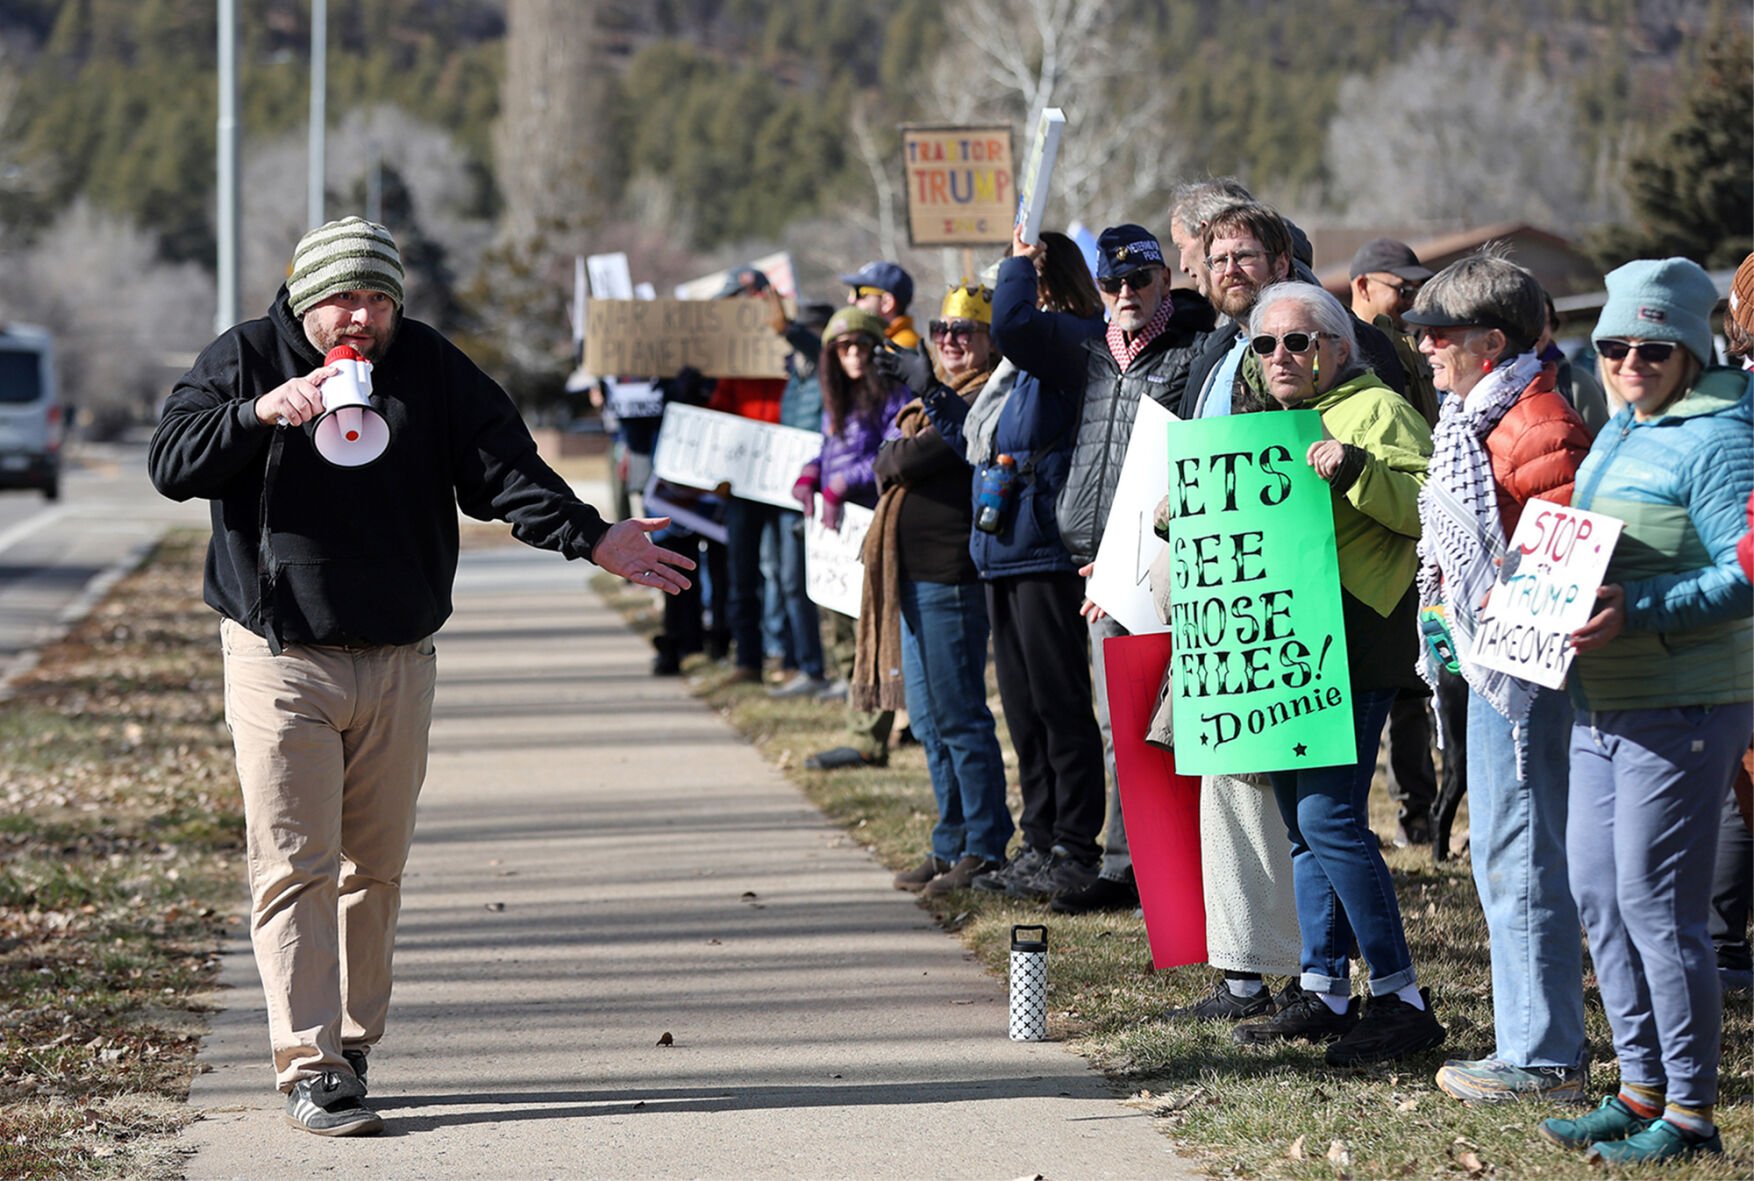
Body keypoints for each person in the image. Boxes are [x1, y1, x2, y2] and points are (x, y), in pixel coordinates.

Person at [146, 217, 694, 1136]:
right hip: (282, 658)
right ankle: (310, 1064)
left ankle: (352, 1044)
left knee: (375, 865)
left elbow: (504, 471)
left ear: (397, 302)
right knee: (293, 864)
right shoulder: (243, 357)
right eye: (338, 299)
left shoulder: (431, 368)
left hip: (400, 658)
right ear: (302, 297)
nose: (356, 316)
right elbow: (171, 462)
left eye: (376, 298)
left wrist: (592, 535)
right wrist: (258, 414)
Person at [1536, 258, 1753, 1166]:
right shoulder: (1624, 427)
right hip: (1601, 698)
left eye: (1653, 346)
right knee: (1597, 890)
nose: (1630, 360)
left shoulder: (1725, 435)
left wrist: (1643, 612)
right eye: (1617, 343)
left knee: (1658, 906)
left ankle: (1692, 1114)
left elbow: (1746, 573)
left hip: (1685, 699)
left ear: (1692, 347)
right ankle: (1638, 1085)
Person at [1227, 282, 1444, 1066]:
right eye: (1266, 344)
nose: (1281, 355)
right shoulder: (1264, 423)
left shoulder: (1378, 410)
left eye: (1299, 341)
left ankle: (1400, 995)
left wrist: (1354, 468)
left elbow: (1431, 509)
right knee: (1302, 824)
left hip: (1352, 644)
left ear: (1338, 348)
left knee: (1329, 820)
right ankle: (1324, 988)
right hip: (1287, 648)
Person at [1402, 251, 1593, 1105]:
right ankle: (1531, 1040)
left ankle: (1544, 1055)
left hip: (1525, 680)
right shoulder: (1479, 415)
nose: (1424, 346)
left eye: (1437, 332)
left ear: (1490, 341)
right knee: (1505, 858)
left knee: (1523, 857)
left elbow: (1565, 560)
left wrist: (1502, 641)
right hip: (1494, 669)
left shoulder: (1537, 424)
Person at [978, 223, 1214, 905]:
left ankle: (1172, 870)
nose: (1124, 293)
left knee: (1178, 723)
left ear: (1165, 277)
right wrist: (1018, 262)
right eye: (1111, 283)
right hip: (1099, 568)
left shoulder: (1192, 349)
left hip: (1171, 559)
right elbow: (1015, 328)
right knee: (1122, 724)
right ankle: (1124, 865)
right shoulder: (1087, 348)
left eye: (1139, 279)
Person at [921, 230, 1112, 908]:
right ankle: (1037, 840)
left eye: (1030, 280)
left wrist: (1015, 261)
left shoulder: (1074, 341)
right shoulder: (1020, 372)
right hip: (1004, 551)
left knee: (1062, 706)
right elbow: (986, 449)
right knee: (1026, 712)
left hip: (1046, 550)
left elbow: (1009, 322)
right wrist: (931, 394)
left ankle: (1074, 846)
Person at [868, 283, 1014, 895]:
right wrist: (899, 446)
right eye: (942, 330)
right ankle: (949, 841)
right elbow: (885, 456)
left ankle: (983, 846)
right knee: (927, 721)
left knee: (959, 719)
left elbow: (900, 463)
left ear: (988, 342)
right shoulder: (936, 403)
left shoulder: (985, 399)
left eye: (965, 332)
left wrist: (900, 446)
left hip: (951, 578)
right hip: (913, 578)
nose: (950, 341)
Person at [1348, 237, 1443, 851]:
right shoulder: (1344, 351)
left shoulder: (1408, 348)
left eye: (1414, 290)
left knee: (1415, 688)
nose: (1409, 301)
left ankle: (1417, 812)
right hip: (1364, 546)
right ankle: (1355, 818)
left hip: (1412, 533)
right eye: (1398, 288)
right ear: (1361, 287)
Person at [797, 307, 912, 769]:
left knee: (871, 634)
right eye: (843, 348)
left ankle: (870, 739)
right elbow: (829, 449)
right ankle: (856, 725)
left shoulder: (893, 394)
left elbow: (892, 451)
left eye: (860, 345)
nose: (853, 356)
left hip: (873, 526)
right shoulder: (835, 399)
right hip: (835, 536)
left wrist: (845, 484)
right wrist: (810, 474)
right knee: (842, 636)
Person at [708, 266, 787, 686]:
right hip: (743, 477)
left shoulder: (789, 348)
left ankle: (792, 657)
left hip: (786, 472)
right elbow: (721, 409)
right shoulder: (732, 360)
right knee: (743, 571)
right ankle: (749, 659)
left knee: (786, 572)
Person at [759, 296, 836, 697]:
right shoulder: (796, 375)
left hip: (816, 492)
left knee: (804, 580)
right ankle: (806, 664)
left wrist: (790, 329)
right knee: (786, 579)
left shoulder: (828, 366)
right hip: (783, 487)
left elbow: (820, 352)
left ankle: (819, 668)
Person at [840, 260, 921, 349]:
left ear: (886, 303)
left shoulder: (902, 347)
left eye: (859, 293)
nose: (851, 300)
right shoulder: (881, 340)